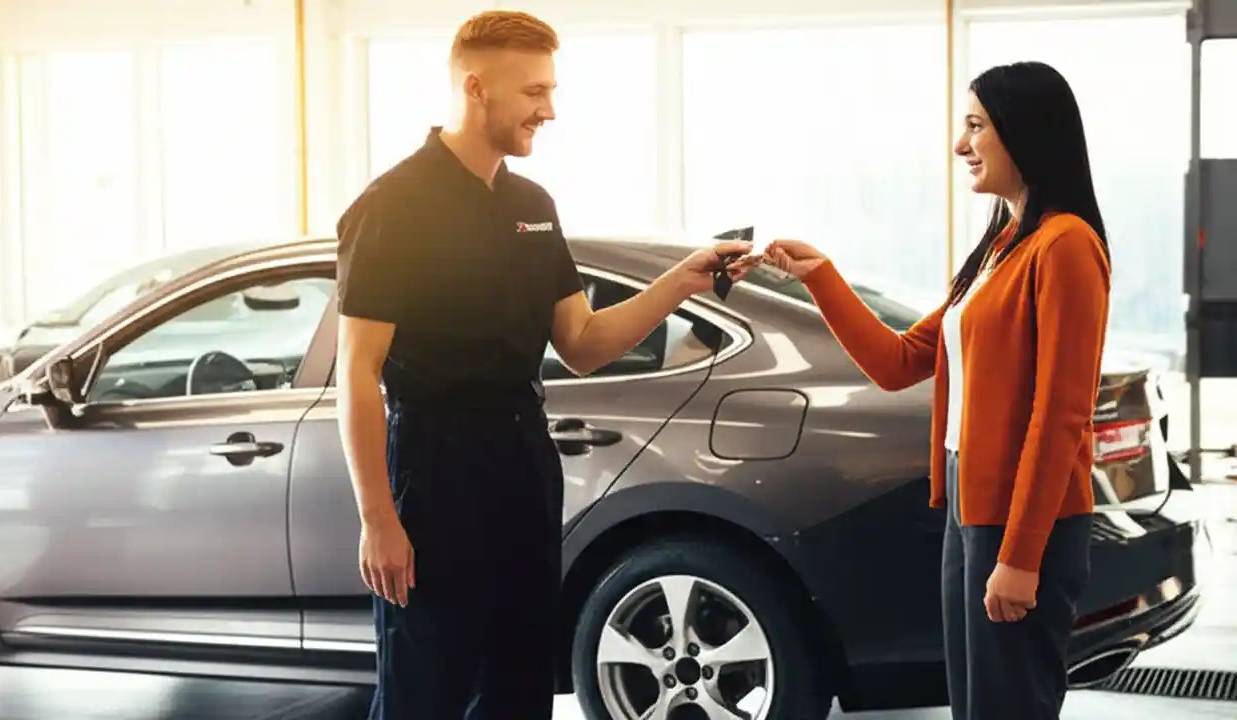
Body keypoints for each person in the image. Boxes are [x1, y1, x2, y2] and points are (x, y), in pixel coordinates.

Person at [333, 10, 754, 720]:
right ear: (475, 88)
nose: (549, 111)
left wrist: (683, 279)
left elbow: (583, 343)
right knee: (426, 683)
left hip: (525, 455)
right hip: (433, 466)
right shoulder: (391, 206)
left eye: (550, 90)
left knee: (522, 680)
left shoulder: (533, 205)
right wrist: (378, 518)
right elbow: (356, 372)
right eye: (533, 92)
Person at [763, 61, 1110, 720]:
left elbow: (1061, 414)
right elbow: (897, 363)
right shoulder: (1003, 245)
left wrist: (1019, 556)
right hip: (970, 510)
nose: (960, 145)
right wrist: (821, 277)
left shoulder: (1066, 245)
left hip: (1018, 520)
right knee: (978, 708)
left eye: (975, 126)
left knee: (1009, 707)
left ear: (1024, 131)